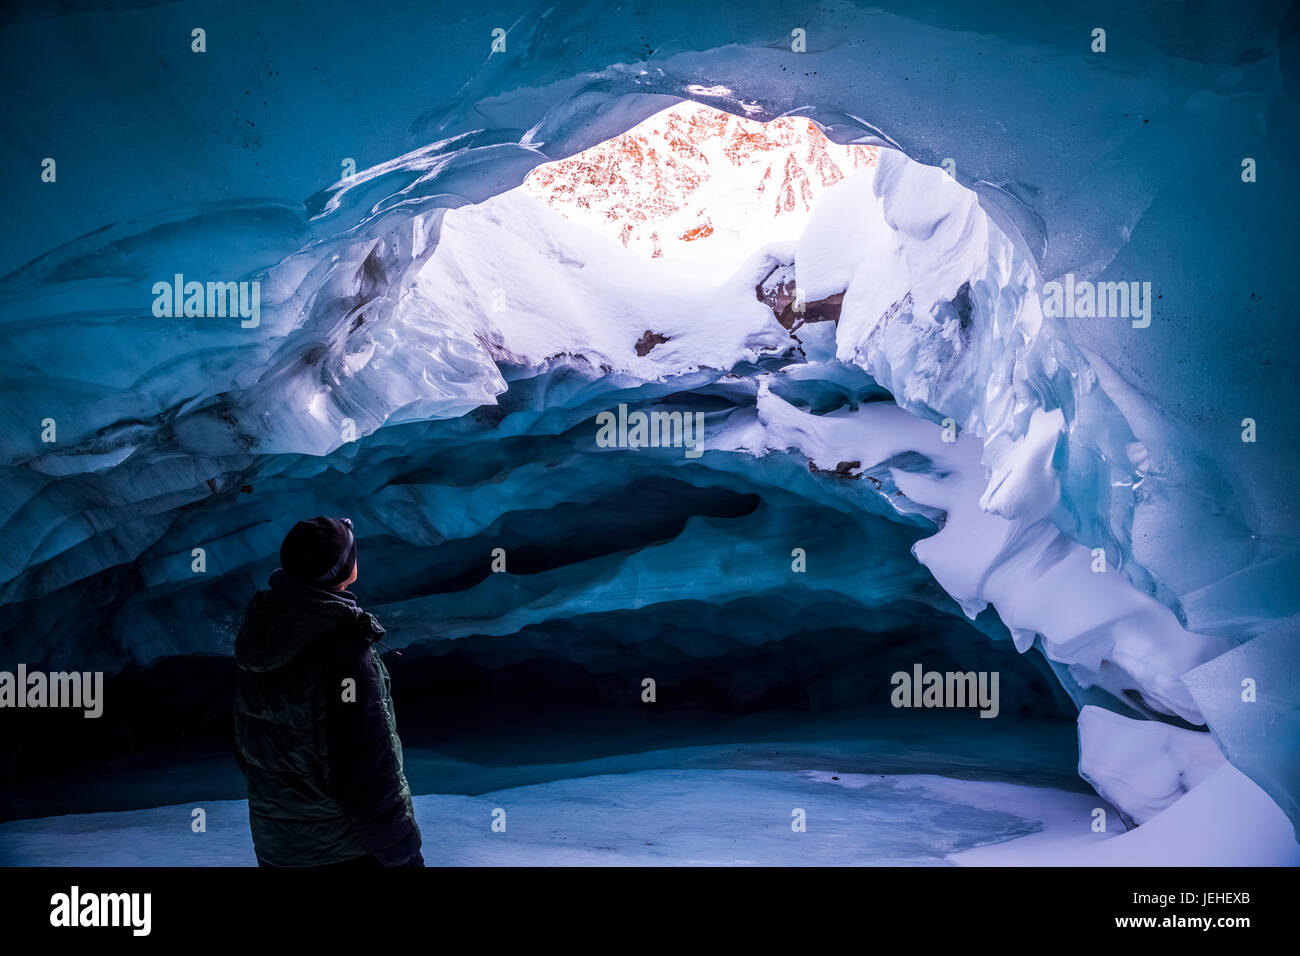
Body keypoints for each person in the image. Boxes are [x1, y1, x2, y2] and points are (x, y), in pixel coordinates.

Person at [233, 516, 424, 867]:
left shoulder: (262, 639)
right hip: (344, 851)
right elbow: (364, 767)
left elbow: (251, 750)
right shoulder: (342, 652)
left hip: (281, 848)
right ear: (341, 569)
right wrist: (401, 851)